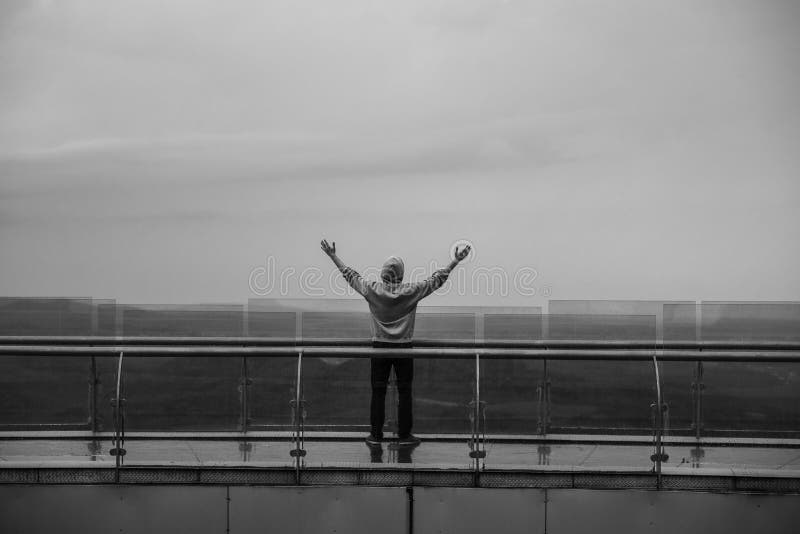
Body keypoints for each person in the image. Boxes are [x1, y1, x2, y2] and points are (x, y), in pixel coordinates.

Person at [320, 239, 471, 446]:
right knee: (405, 392)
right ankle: (404, 435)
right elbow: (437, 279)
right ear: (401, 275)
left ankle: (375, 435)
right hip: (404, 348)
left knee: (378, 392)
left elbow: (350, 275)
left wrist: (332, 255)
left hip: (379, 348)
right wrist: (455, 261)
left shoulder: (372, 290)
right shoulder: (411, 292)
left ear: (383, 273)